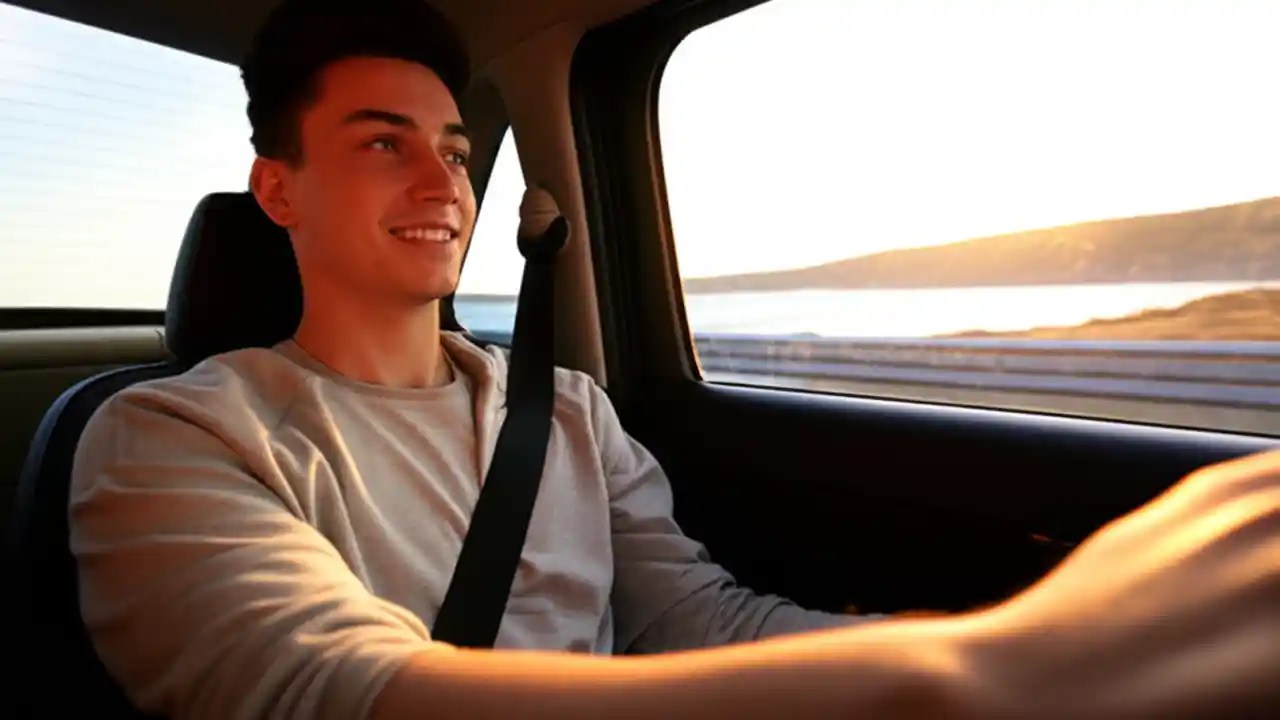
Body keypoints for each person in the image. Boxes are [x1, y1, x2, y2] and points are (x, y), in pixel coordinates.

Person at [69, 0, 1280, 718]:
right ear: (277, 189)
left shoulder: (568, 408)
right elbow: (337, 692)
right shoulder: (174, 435)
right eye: (382, 145)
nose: (443, 179)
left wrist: (935, 633)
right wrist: (969, 675)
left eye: (449, 145)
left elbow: (694, 619)